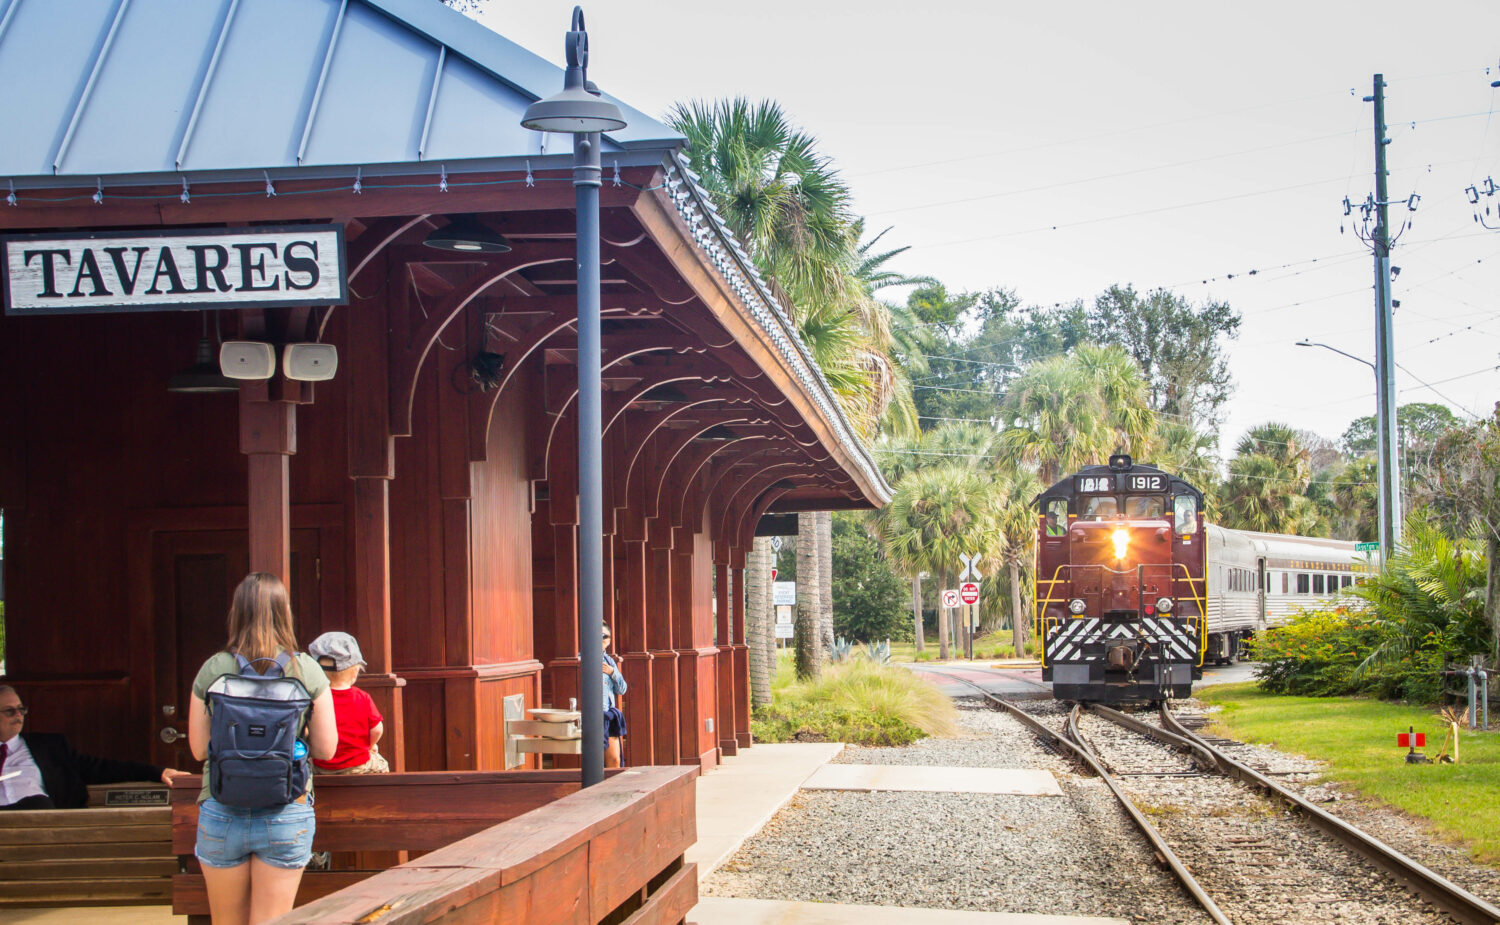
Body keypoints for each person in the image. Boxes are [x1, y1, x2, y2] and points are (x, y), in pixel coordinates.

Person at [188, 572, 336, 925]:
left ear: (236, 613)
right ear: (285, 613)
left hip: (222, 809)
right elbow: (327, 748)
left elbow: (197, 750)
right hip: (286, 810)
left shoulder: (214, 669)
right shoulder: (307, 670)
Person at [0, 685, 185, 810]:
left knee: (38, 803)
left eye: (21, 709)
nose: (18, 715)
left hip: (38, 828)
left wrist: (157, 773)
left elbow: (101, 768)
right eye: (10, 711)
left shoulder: (50, 747)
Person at [307, 632, 388, 775]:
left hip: (321, 766)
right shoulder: (362, 697)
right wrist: (370, 746)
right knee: (382, 764)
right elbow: (377, 729)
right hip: (357, 765)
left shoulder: (313, 698)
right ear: (355, 671)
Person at [601, 627, 627, 768]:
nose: (601, 639)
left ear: (609, 640)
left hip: (609, 715)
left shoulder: (609, 661)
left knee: (615, 760)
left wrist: (612, 673)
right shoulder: (582, 658)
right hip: (594, 715)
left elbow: (622, 689)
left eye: (604, 636)